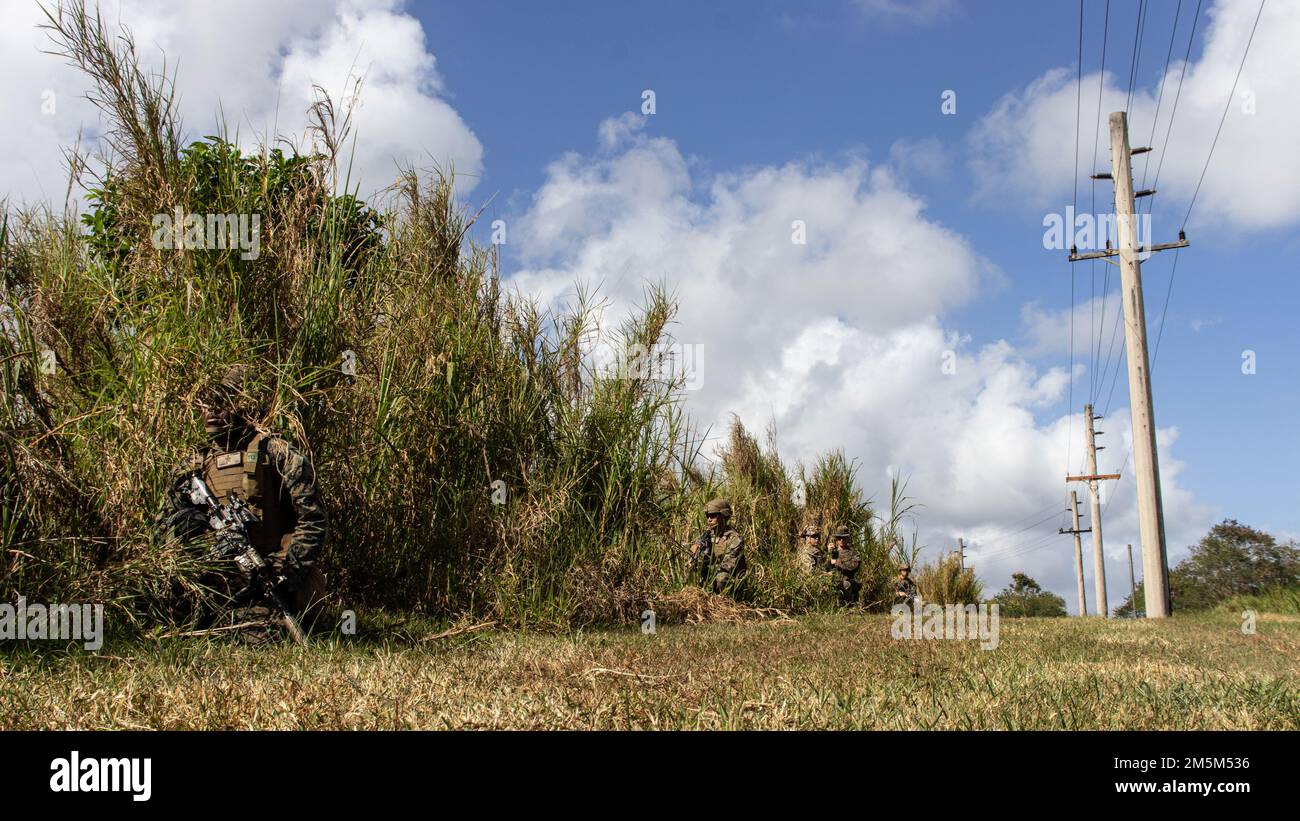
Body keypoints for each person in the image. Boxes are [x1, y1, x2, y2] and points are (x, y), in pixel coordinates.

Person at [159, 366, 327, 641]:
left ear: (248, 405)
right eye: (207, 402)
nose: (213, 409)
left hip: (275, 575)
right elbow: (163, 531)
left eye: (224, 402)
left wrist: (283, 571)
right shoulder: (192, 466)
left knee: (257, 633)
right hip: (217, 577)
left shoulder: (277, 453)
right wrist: (186, 529)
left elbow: (313, 521)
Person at [689, 498, 746, 594]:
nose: (709, 519)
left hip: (733, 579)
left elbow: (727, 566)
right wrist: (695, 558)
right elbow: (704, 558)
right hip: (714, 575)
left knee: (721, 578)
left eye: (713, 515)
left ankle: (725, 602)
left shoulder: (735, 539)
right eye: (707, 516)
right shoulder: (707, 536)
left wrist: (704, 566)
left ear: (724, 515)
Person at [827, 526, 862, 606]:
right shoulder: (833, 552)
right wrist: (829, 553)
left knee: (846, 584)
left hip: (847, 582)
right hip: (833, 582)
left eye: (844, 538)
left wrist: (837, 562)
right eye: (839, 538)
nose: (841, 540)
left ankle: (848, 605)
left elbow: (853, 567)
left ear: (848, 538)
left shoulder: (854, 553)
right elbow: (824, 566)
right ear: (836, 539)